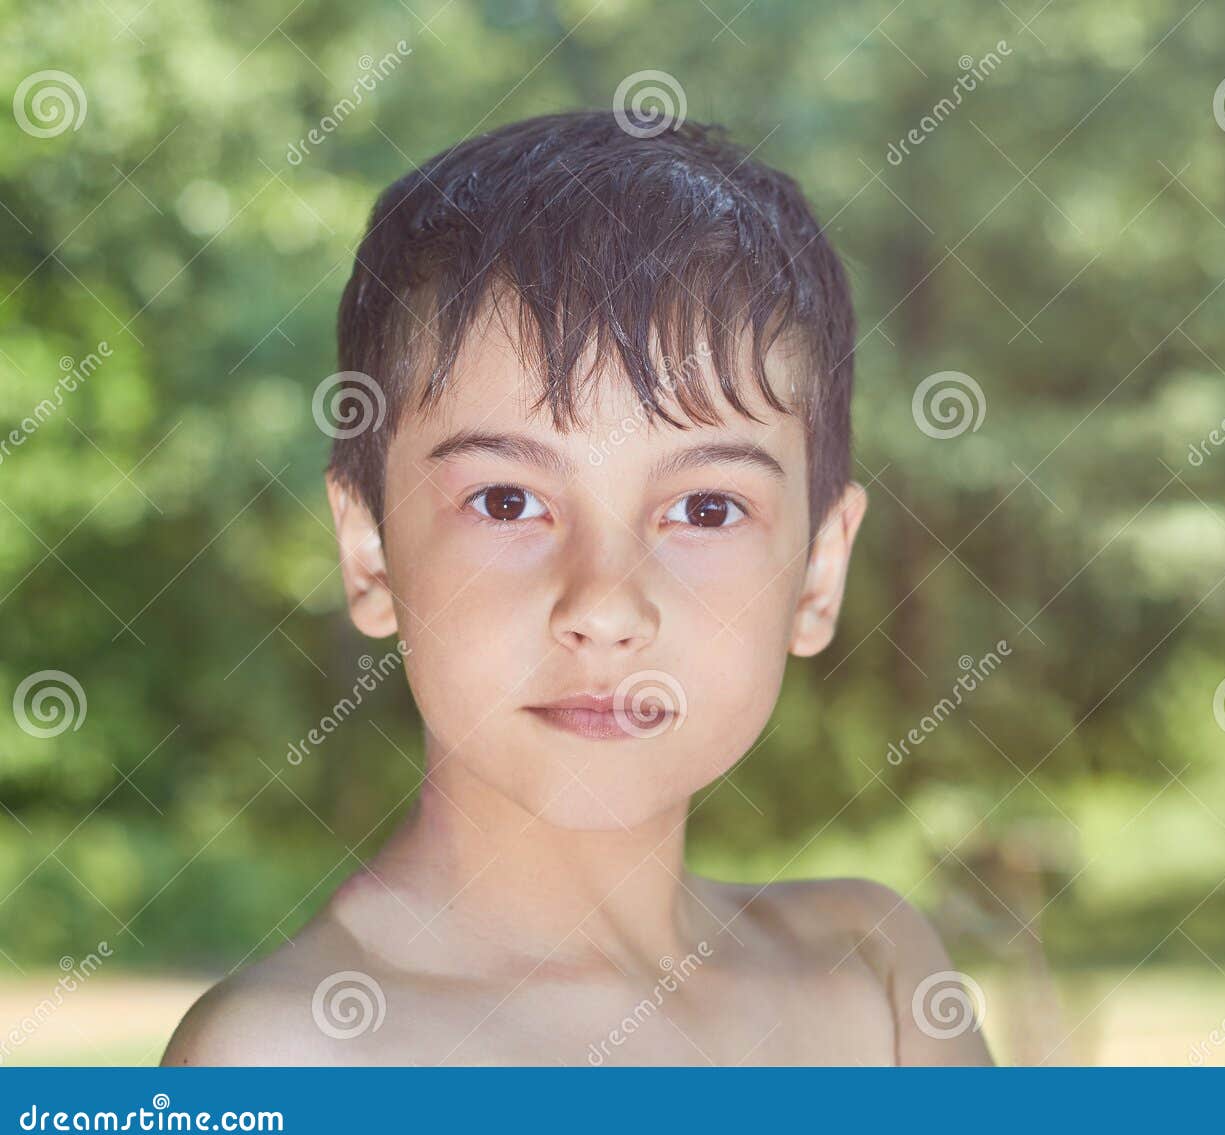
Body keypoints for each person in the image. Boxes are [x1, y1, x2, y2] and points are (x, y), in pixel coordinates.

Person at [162, 110, 993, 1066]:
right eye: (508, 500)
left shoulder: (878, 971)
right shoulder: (288, 1059)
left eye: (708, 510)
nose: (603, 605)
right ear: (369, 555)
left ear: (818, 573)